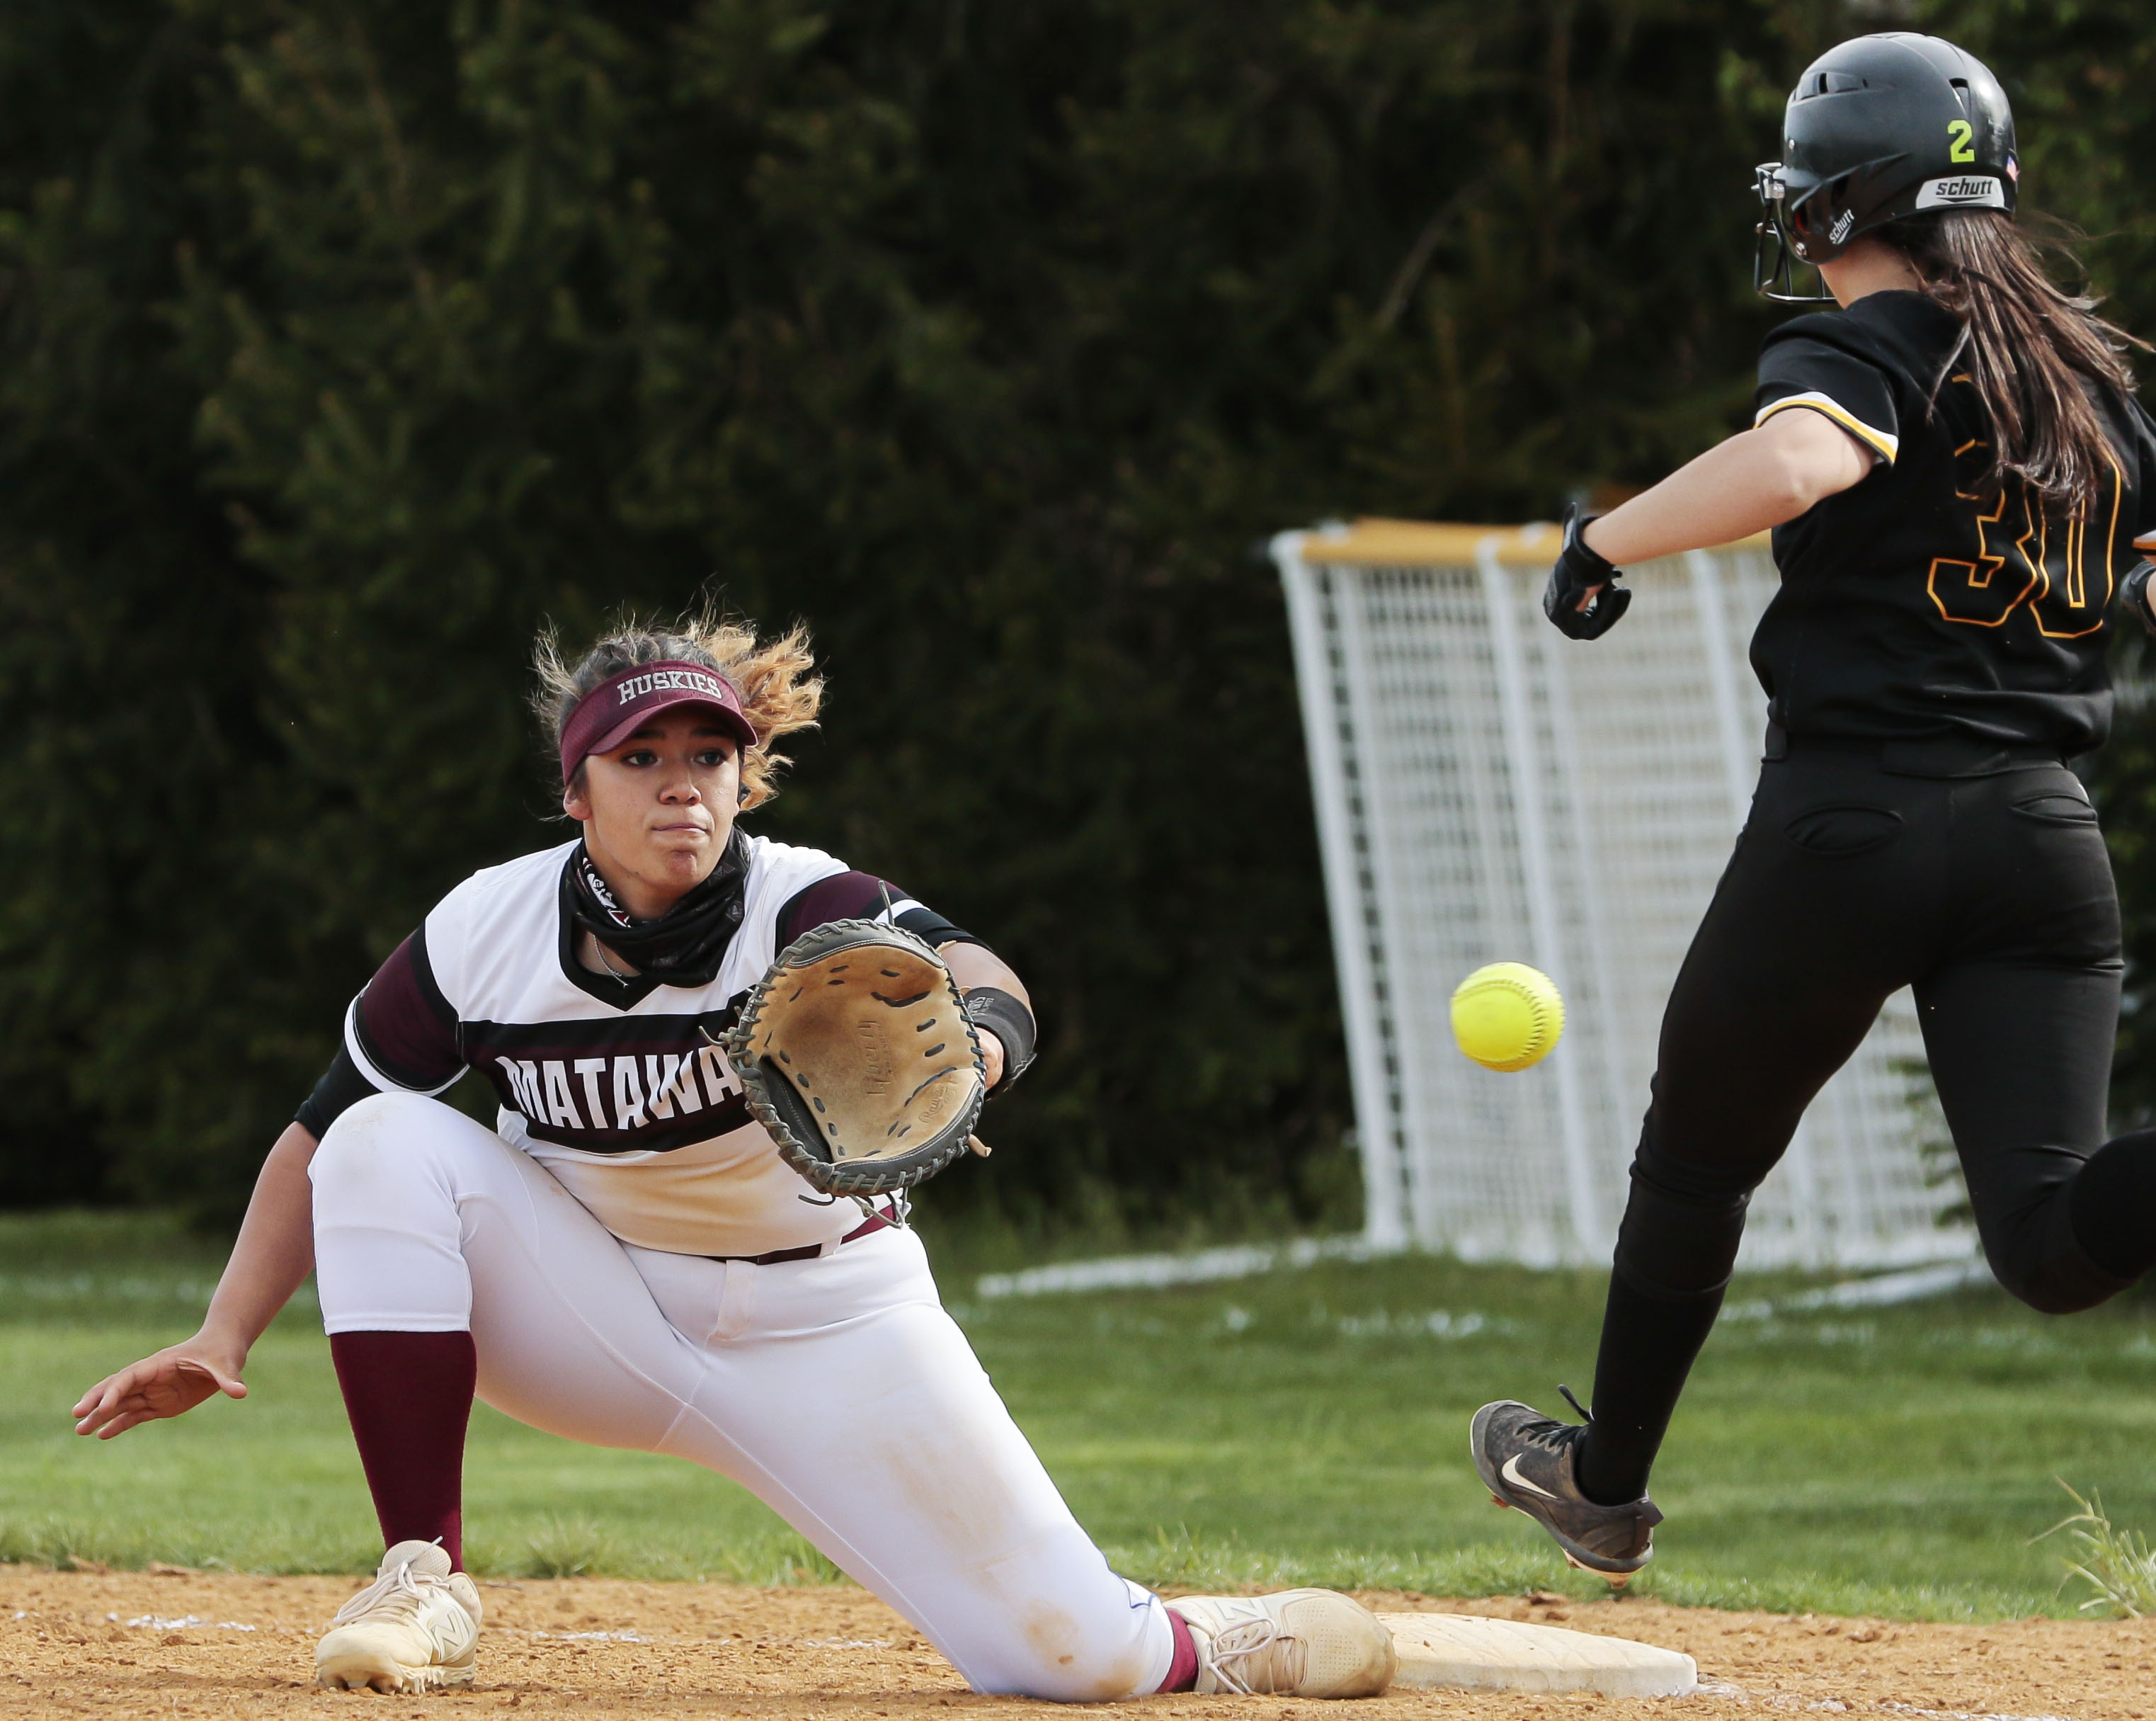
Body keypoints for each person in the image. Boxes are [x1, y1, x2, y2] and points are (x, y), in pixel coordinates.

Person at [72, 615, 1395, 1702]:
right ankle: (424, 1571)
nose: (681, 783)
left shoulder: (799, 902)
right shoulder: (486, 927)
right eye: (641, 756)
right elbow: (319, 1128)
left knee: (1067, 1661)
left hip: (832, 1316)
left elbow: (986, 973)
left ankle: (1206, 1634)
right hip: (598, 1306)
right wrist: (225, 1331)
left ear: (742, 779)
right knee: (380, 1136)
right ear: (574, 789)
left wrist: (978, 1049)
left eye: (710, 754)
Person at [1469, 33, 2156, 1583]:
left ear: (1837, 209)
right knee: (2043, 1242)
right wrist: (2127, 624)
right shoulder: (2079, 380)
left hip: (1852, 829)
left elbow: (1798, 467)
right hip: (2041, 840)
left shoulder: (1867, 347)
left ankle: (1601, 1488)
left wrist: (1600, 543)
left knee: (1694, 1165)